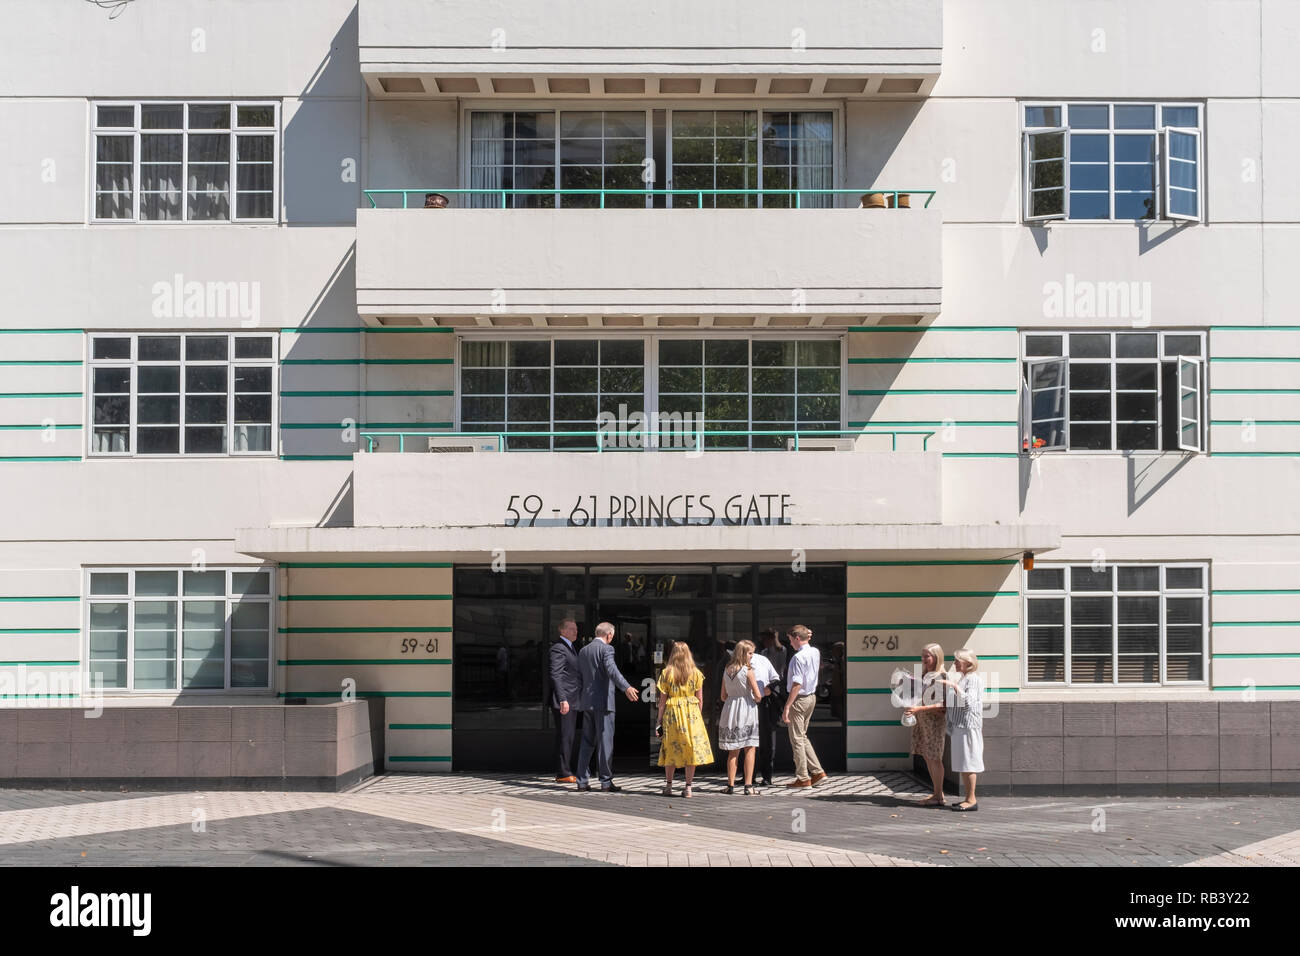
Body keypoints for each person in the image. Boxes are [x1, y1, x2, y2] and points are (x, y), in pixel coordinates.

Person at [576, 622, 639, 792]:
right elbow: (612, 670)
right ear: (609, 635)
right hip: (604, 703)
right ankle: (605, 782)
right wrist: (626, 687)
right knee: (605, 743)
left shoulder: (583, 650)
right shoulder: (607, 650)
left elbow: (579, 677)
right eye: (612, 636)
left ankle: (582, 781)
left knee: (586, 742)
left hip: (587, 702)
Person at [656, 641, 714, 797]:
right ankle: (688, 787)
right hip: (691, 714)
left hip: (672, 713)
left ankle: (669, 786)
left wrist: (658, 722)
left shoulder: (666, 673)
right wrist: (698, 718)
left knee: (671, 748)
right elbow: (700, 698)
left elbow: (662, 702)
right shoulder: (695, 673)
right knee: (691, 749)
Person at [781, 625, 828, 788]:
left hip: (799, 699)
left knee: (797, 740)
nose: (790, 643)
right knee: (802, 736)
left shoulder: (798, 658)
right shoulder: (815, 651)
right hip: (811, 698)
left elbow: (797, 683)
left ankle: (803, 777)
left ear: (797, 639)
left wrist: (787, 705)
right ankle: (817, 772)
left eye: (791, 640)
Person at [902, 643, 948, 807]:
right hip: (923, 720)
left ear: (936, 657)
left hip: (934, 723)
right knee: (928, 757)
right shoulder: (926, 674)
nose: (923, 659)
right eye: (922, 656)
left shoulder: (941, 676)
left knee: (935, 758)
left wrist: (919, 707)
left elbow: (943, 706)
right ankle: (937, 794)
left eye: (926, 656)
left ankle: (938, 795)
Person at [939, 648, 984, 812]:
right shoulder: (964, 679)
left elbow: (969, 704)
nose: (955, 663)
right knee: (964, 763)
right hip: (959, 726)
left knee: (970, 762)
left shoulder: (973, 680)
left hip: (968, 727)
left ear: (968, 663)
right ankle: (967, 798)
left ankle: (971, 800)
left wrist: (953, 687)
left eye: (957, 660)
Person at [718, 639, 762, 794]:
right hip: (746, 708)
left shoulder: (727, 669)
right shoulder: (748, 671)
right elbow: (757, 695)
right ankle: (748, 786)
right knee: (749, 748)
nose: (752, 656)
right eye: (750, 653)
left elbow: (723, 696)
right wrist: (756, 696)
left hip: (730, 708)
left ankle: (730, 785)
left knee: (733, 750)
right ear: (744, 653)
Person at [548, 618, 582, 784]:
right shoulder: (559, 648)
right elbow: (556, 675)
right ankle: (563, 773)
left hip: (572, 699)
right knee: (565, 737)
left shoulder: (570, 647)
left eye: (576, 629)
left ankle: (564, 770)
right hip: (565, 701)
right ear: (562, 631)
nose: (576, 632)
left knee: (567, 736)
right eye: (572, 629)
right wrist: (563, 699)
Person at [752, 629, 783, 787]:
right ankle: (748, 777)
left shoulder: (763, 660)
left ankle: (766, 776)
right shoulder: (738, 663)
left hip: (764, 704)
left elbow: (776, 678)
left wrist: (769, 689)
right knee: (748, 741)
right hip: (747, 705)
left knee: (766, 741)